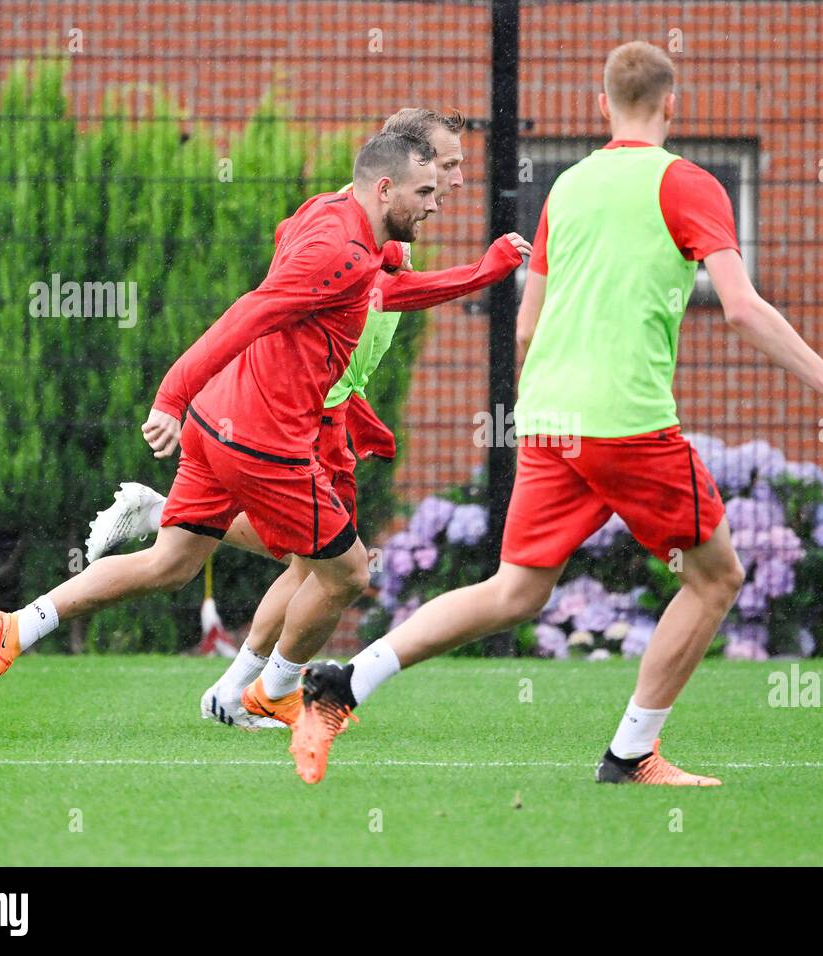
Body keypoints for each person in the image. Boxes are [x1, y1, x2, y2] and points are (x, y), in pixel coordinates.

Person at [286, 41, 823, 786]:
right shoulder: (689, 184)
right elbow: (739, 307)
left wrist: (551, 395)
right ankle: (632, 753)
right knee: (715, 577)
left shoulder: (568, 187)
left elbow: (524, 327)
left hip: (548, 417)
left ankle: (348, 682)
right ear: (672, 105)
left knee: (514, 590)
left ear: (602, 108)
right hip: (627, 421)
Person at [0, 133, 438, 786]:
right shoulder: (346, 253)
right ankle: (272, 692)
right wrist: (170, 395)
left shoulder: (327, 213)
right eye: (428, 190)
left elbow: (304, 262)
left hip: (220, 419)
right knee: (345, 571)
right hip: (261, 442)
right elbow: (252, 311)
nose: (437, 203)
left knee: (170, 563)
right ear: (385, 188)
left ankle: (15, 628)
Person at [81, 108, 531, 729]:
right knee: (333, 566)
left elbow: (335, 266)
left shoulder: (371, 238)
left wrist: (479, 273)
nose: (452, 186)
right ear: (395, 175)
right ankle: (265, 686)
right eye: (444, 171)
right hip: (294, 424)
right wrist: (173, 395)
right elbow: (270, 301)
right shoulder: (350, 240)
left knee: (310, 565)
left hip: (326, 418)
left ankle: (237, 693)